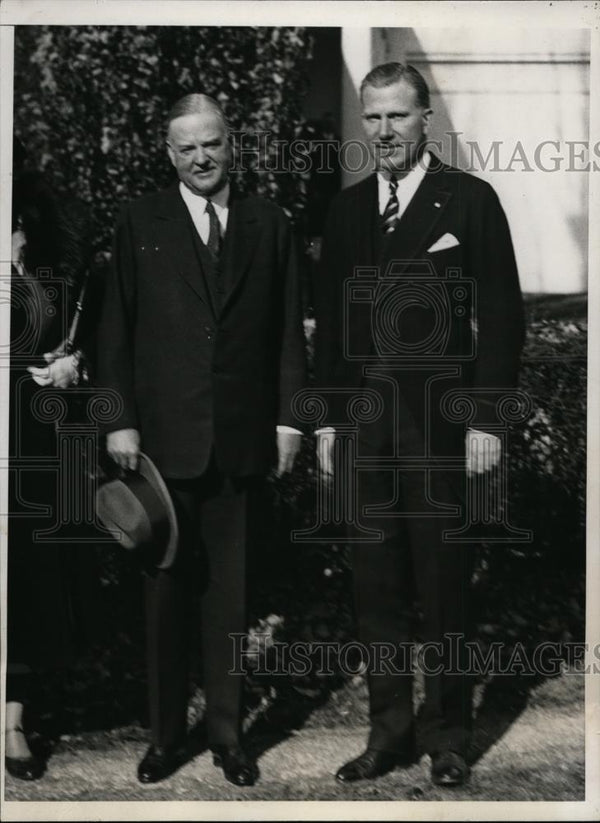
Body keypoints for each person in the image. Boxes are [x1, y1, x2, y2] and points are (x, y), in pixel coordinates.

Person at [314, 62, 525, 786]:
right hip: (365, 431)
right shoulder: (345, 212)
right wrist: (326, 425)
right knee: (374, 586)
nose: (384, 132)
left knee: (443, 586)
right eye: (372, 118)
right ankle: (389, 735)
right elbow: (332, 337)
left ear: (425, 118)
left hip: (439, 425)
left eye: (397, 117)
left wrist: (488, 424)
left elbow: (501, 318)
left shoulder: (469, 201)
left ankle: (448, 736)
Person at [96, 94, 306, 786]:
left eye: (211, 143)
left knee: (230, 596)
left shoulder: (269, 222)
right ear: (169, 153)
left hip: (241, 441)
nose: (201, 157)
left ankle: (227, 736)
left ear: (230, 142)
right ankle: (164, 737)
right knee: (164, 593)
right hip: (160, 444)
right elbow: (114, 329)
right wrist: (118, 418)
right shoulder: (139, 220)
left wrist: (287, 422)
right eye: (186, 148)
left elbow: (284, 333)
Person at [6, 151, 97, 781]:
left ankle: (12, 718)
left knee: (22, 572)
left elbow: (66, 333)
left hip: (28, 431)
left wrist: (73, 366)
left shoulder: (48, 242)